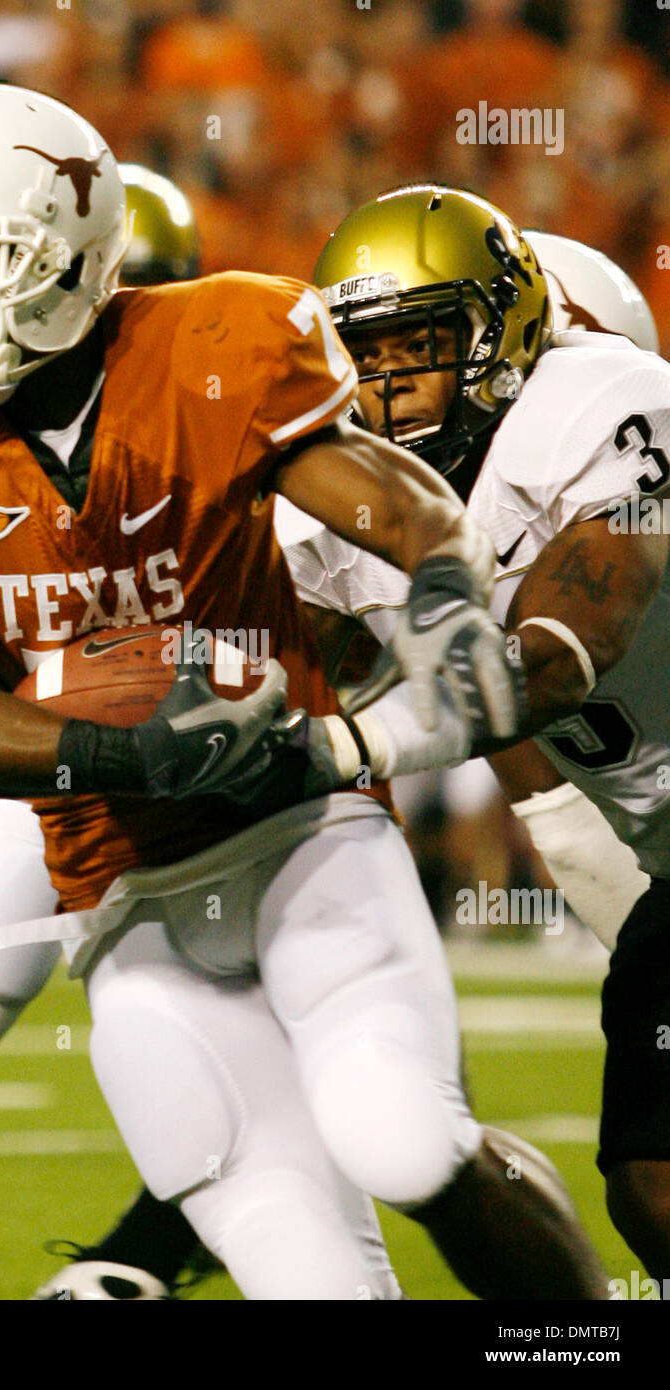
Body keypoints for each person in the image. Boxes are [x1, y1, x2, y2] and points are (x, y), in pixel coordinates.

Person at [0, 88, 587, 1301]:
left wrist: (448, 592)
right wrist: (132, 752)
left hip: (305, 829)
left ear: (62, 262)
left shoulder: (214, 348)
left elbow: (400, 505)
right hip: (124, 894)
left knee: (399, 1135)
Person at [270, 183, 670, 1281]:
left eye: (417, 341)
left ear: (500, 330)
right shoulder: (337, 496)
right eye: (365, 349)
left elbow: (549, 660)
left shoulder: (605, 403)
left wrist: (354, 746)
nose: (386, 377)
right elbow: (282, 669)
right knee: (648, 1180)